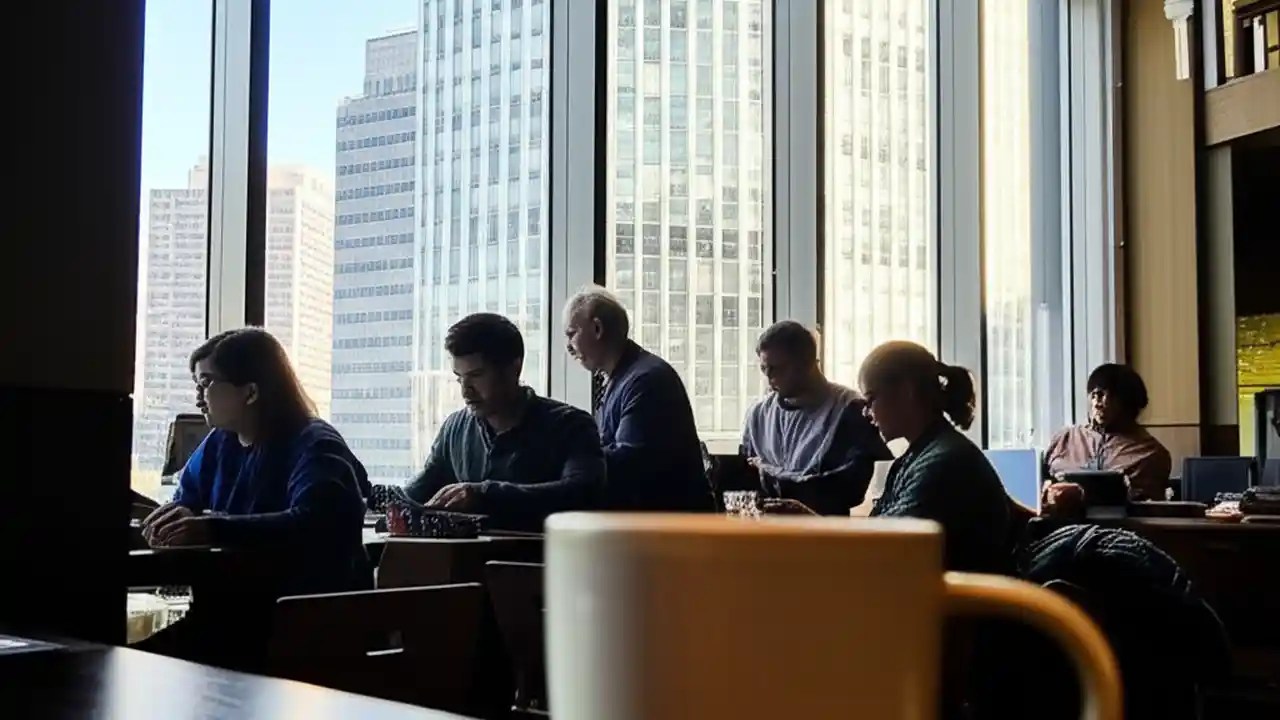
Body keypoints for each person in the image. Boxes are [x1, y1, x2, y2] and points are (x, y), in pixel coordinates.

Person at [138, 327, 372, 669]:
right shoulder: (220, 442)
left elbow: (315, 522)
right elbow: (187, 500)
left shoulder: (315, 444)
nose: (198, 397)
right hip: (236, 617)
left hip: (300, 624)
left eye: (206, 383)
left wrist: (213, 529)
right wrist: (172, 519)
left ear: (250, 392)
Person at [405, 313, 605, 530]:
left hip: (536, 561)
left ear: (514, 369)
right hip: (466, 561)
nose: (465, 390)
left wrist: (485, 494)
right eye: (459, 377)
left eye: (477, 375)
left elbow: (583, 494)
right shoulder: (455, 428)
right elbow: (417, 494)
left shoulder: (571, 426)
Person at [857, 340, 1012, 574]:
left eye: (870, 399)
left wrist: (813, 531)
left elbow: (881, 549)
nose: (866, 413)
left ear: (905, 391)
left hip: (960, 606)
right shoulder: (929, 453)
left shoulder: (942, 463)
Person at [563, 286, 712, 511]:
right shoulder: (629, 377)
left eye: (571, 333)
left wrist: (564, 456)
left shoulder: (646, 381)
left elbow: (628, 462)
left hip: (670, 533)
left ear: (597, 328)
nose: (568, 347)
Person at [741, 321, 891, 516]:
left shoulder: (851, 410)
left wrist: (767, 473)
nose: (769, 378)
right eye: (764, 369)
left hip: (826, 535)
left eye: (778, 369)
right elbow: (745, 483)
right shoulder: (757, 415)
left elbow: (847, 489)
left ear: (807, 364)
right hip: (766, 535)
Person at [1044, 363, 1172, 501]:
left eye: (1112, 396)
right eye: (1096, 394)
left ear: (1130, 404)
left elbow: (1149, 505)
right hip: (1060, 519)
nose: (1100, 401)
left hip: (1121, 521)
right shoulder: (1065, 439)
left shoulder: (1151, 452)